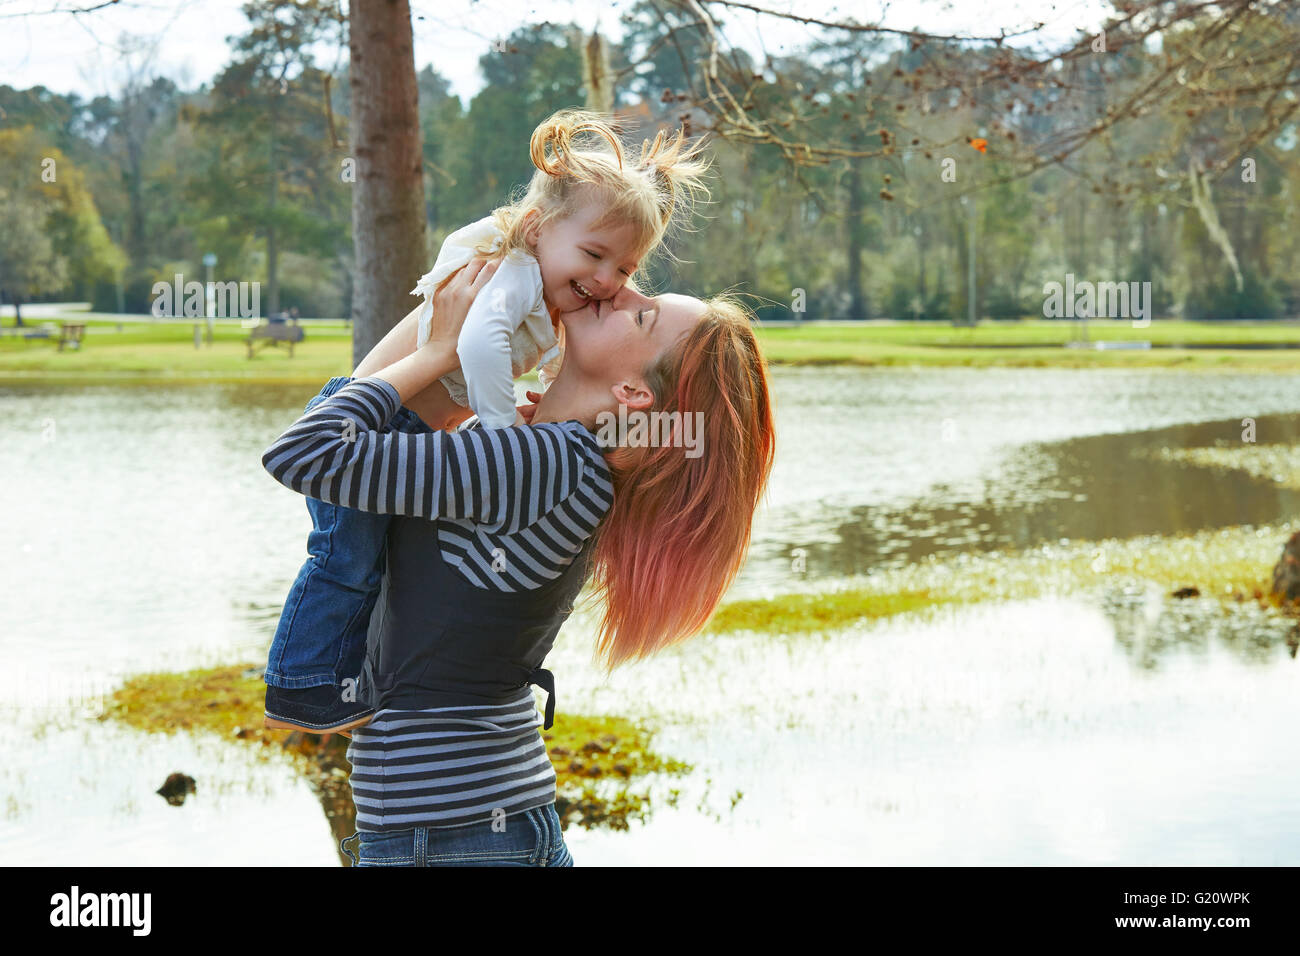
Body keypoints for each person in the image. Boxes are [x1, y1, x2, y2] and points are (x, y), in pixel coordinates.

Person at [260, 259, 776, 866]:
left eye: (644, 314)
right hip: (466, 830)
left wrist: (442, 349)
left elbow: (305, 452)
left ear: (633, 394)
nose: (621, 289)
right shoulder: (553, 457)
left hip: (456, 838)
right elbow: (350, 434)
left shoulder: (548, 465)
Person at [261, 108, 709, 734]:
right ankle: (301, 684)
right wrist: (490, 413)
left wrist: (509, 423)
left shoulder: (554, 453)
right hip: (368, 419)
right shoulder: (514, 275)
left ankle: (318, 683)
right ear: (535, 228)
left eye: (628, 273)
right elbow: (470, 352)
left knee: (354, 563)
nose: (610, 284)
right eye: (595, 256)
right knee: (344, 561)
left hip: (394, 427)